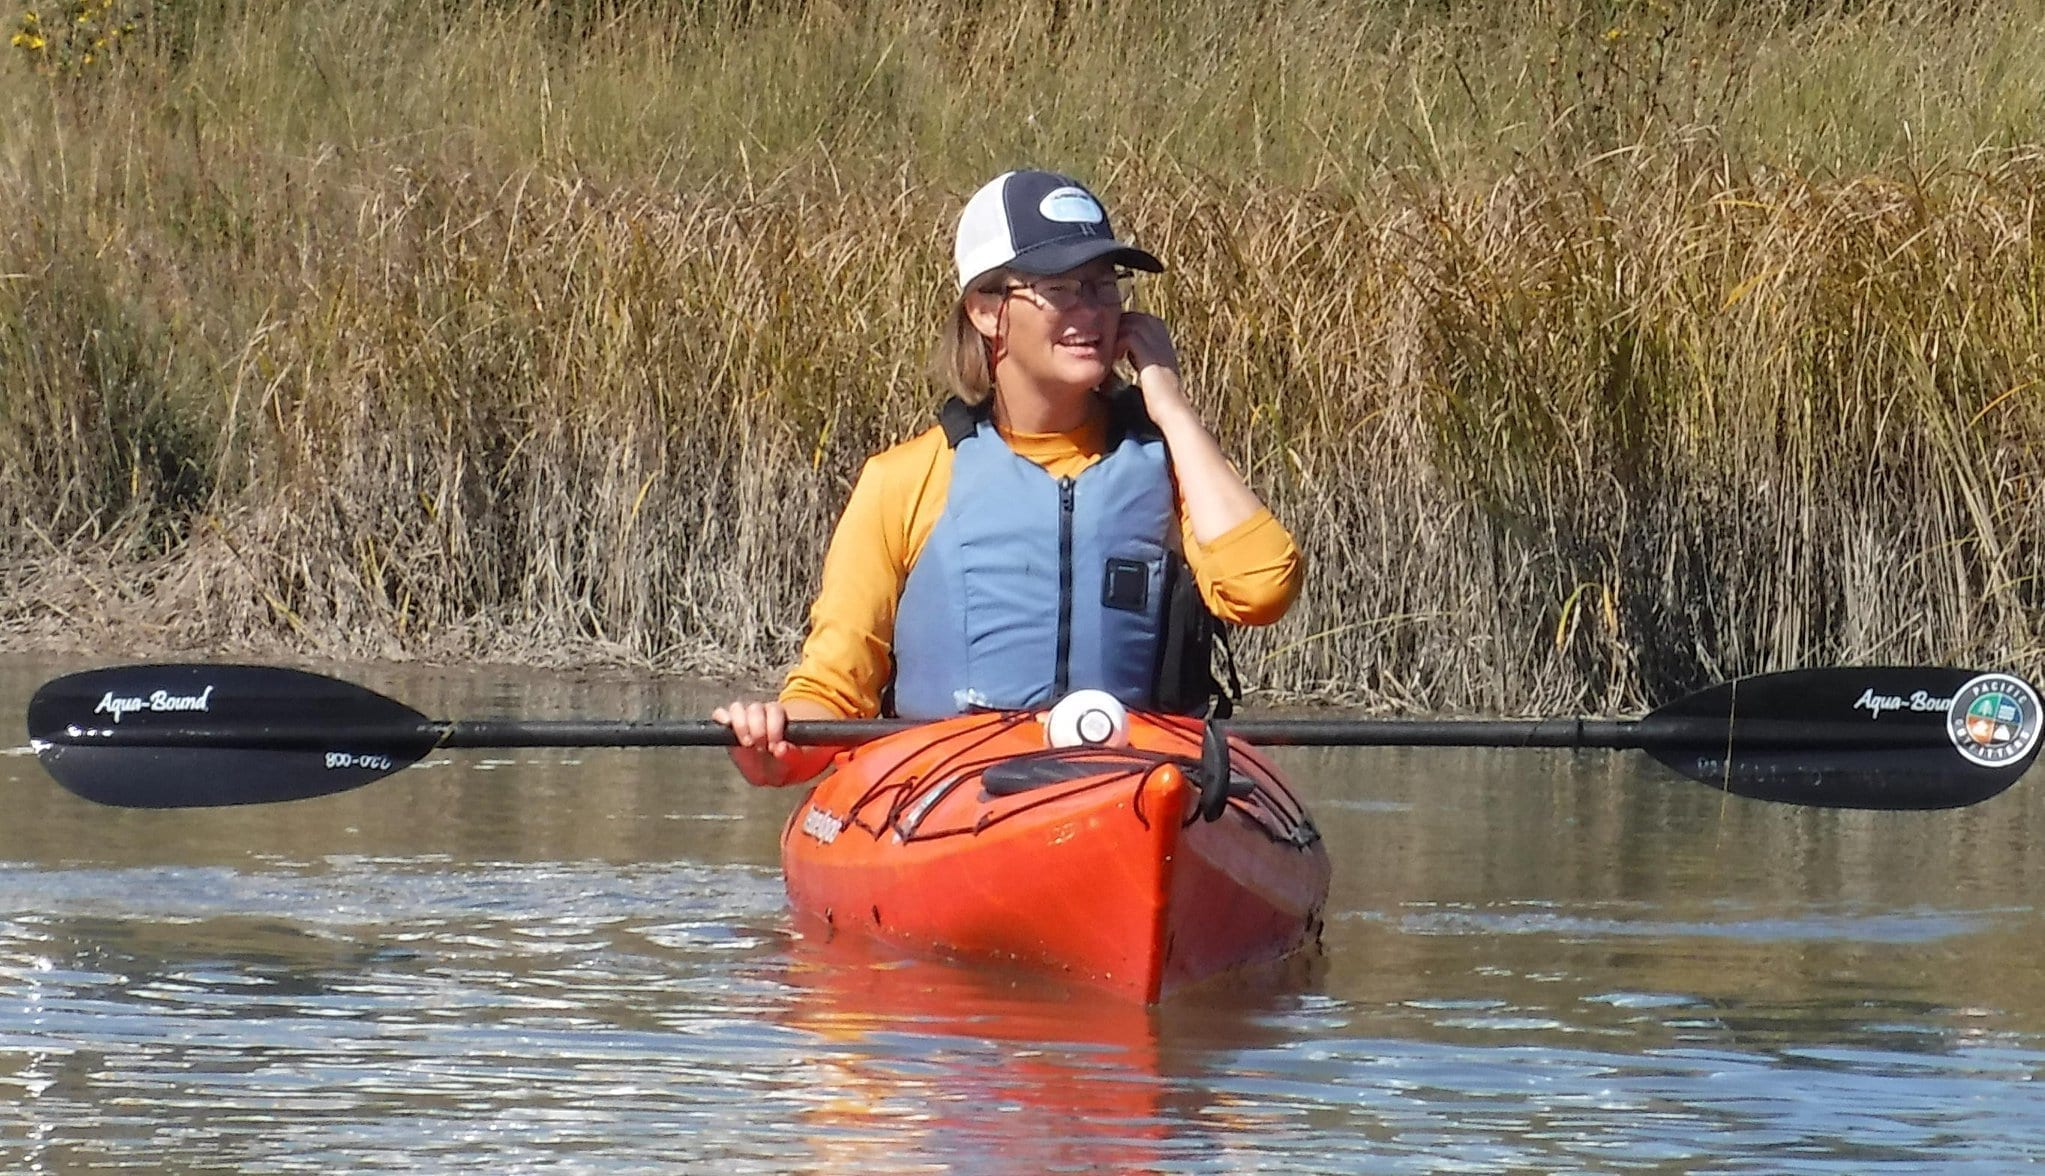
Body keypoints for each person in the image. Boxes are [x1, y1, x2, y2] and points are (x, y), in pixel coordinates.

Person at [713, 169, 1303, 786]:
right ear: (988, 311)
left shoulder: (1177, 467)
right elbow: (835, 695)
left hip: (1137, 785)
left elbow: (1261, 589)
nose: (1091, 310)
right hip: (952, 793)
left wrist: (1171, 407)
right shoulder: (904, 480)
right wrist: (772, 737)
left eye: (1104, 286)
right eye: (1061, 287)